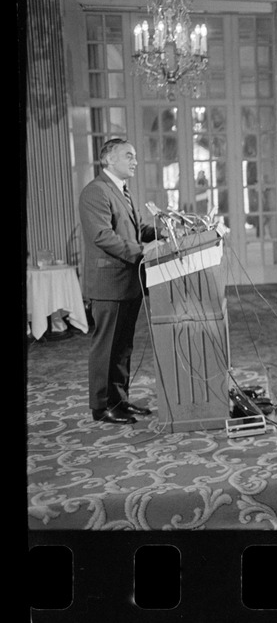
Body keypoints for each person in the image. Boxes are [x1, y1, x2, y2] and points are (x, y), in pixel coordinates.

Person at [78, 137, 161, 425]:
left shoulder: (121, 190)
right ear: (109, 160)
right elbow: (102, 236)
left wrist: (163, 230)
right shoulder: (96, 192)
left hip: (127, 281)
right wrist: (142, 250)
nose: (135, 161)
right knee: (106, 347)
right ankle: (102, 407)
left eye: (135, 156)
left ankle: (120, 400)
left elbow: (134, 230)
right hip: (108, 283)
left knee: (123, 345)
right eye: (129, 156)